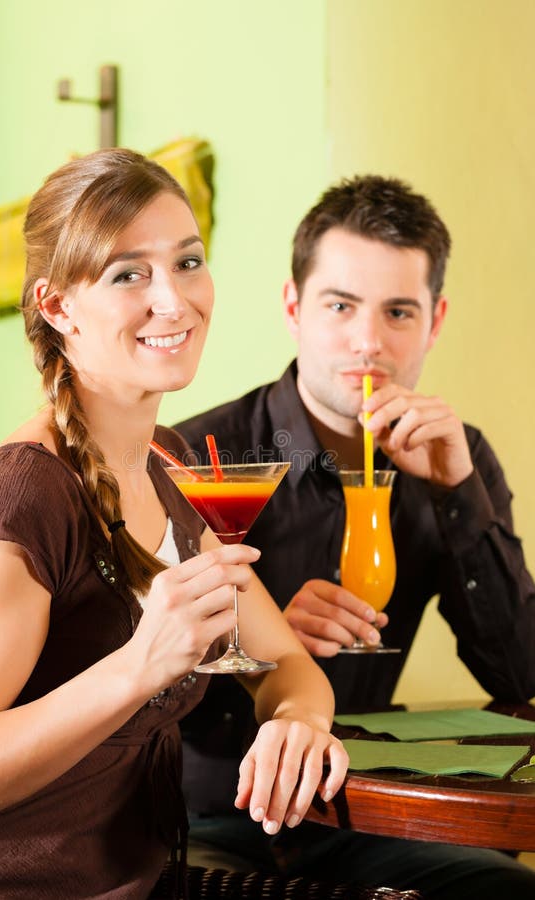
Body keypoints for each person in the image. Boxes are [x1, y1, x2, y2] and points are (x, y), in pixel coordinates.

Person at [0, 149, 349, 899]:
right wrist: (136, 667)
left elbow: (285, 663)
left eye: (187, 262)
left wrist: (296, 721)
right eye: (129, 274)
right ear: (57, 307)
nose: (174, 299)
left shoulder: (169, 465)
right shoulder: (25, 495)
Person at [175, 175, 535, 897]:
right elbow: (145, 692)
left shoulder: (457, 457)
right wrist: (266, 647)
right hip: (208, 822)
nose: (368, 342)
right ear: (293, 308)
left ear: (434, 321)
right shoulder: (202, 455)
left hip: (367, 822)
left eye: (398, 312)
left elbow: (522, 677)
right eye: (340, 306)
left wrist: (459, 496)